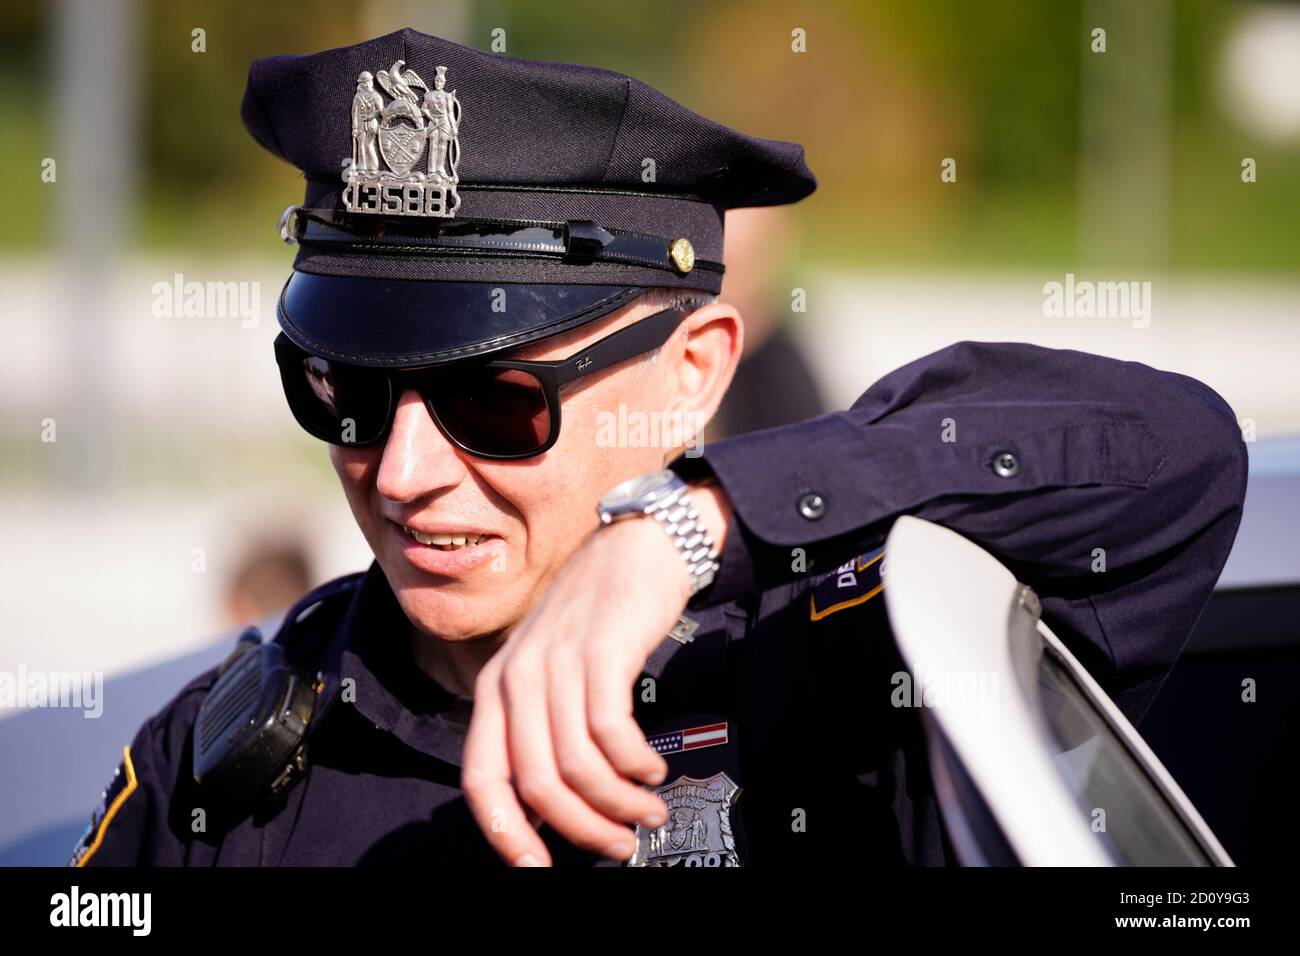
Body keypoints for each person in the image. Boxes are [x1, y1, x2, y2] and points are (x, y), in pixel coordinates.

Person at [69, 28, 1246, 868]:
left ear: (693, 373)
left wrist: (684, 527)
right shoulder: (224, 760)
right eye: (348, 393)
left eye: (496, 403)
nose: (404, 470)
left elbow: (1173, 455)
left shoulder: (840, 669)